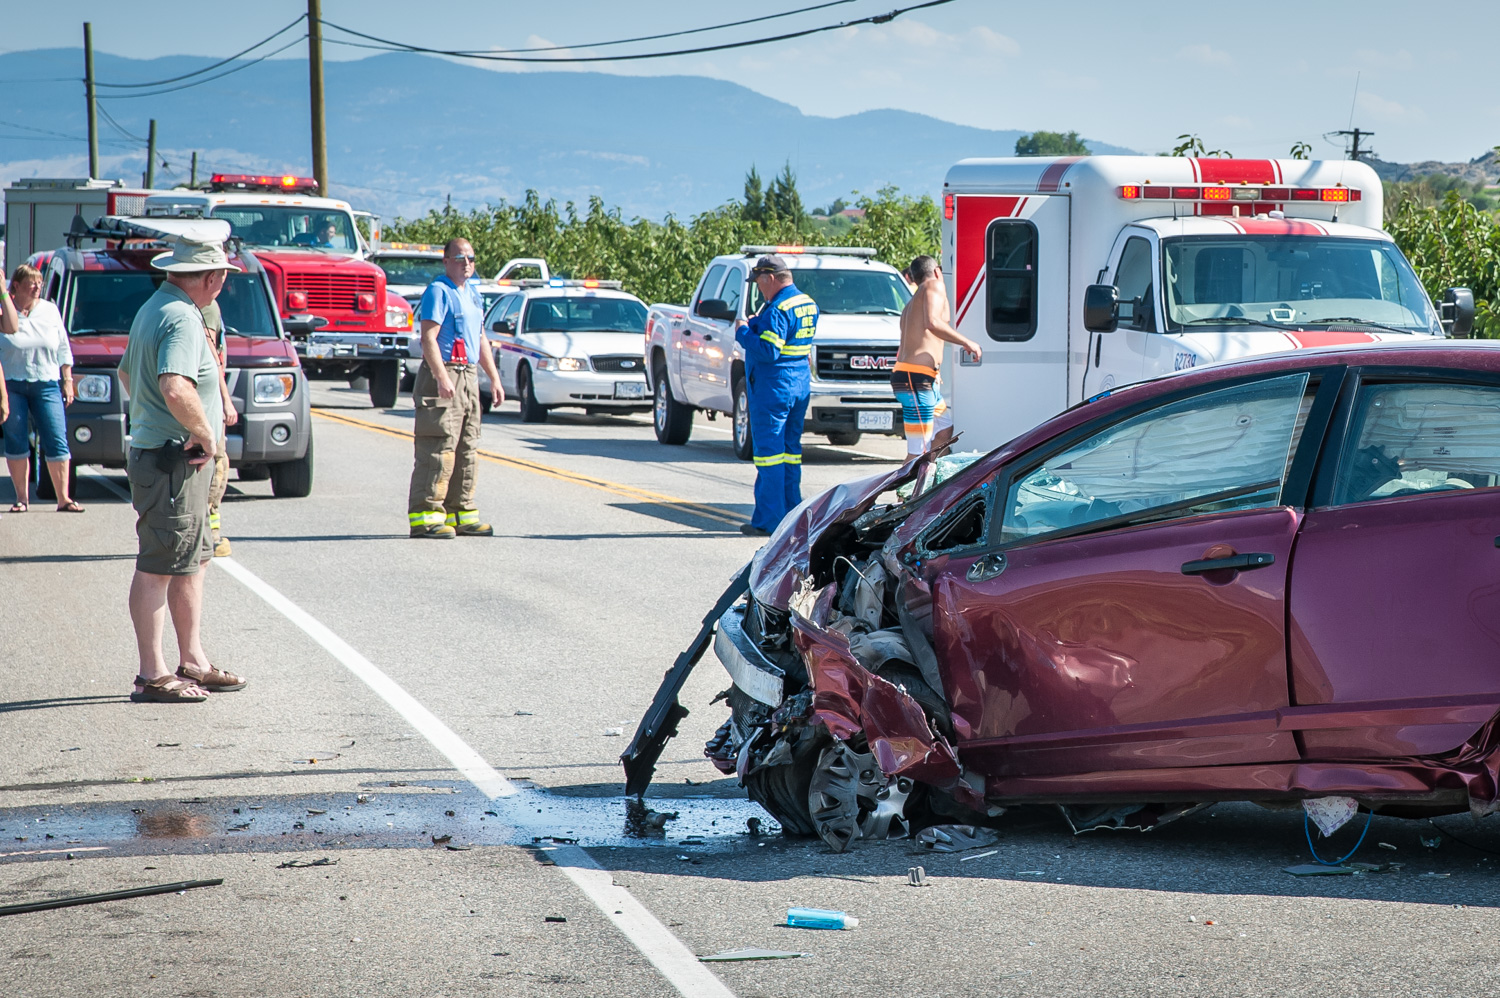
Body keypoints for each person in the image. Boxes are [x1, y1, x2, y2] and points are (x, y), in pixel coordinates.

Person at [118, 235, 248, 703]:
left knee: (190, 560)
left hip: (168, 453)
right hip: (173, 458)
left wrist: (153, 417)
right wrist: (205, 432)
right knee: (160, 564)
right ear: (211, 278)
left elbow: (127, 374)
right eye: (222, 279)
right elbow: (174, 385)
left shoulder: (157, 305)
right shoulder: (180, 317)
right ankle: (152, 674)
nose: (222, 287)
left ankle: (191, 660)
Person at [407, 237, 505, 539]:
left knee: (467, 448)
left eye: (471, 259)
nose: (467, 264)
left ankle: (462, 513)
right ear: (446, 261)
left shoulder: (473, 293)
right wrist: (441, 377)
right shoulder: (439, 291)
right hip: (445, 373)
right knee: (438, 447)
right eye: (460, 258)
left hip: (469, 375)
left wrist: (494, 378)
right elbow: (428, 338)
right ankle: (426, 517)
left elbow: (480, 338)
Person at [734, 255, 817, 537]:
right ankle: (792, 515)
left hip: (773, 389)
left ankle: (769, 521)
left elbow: (768, 350)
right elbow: (788, 338)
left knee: (769, 456)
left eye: (759, 283)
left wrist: (744, 332)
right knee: (791, 454)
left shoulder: (778, 308)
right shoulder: (806, 303)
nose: (759, 289)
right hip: (798, 386)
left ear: (770, 278)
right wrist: (760, 324)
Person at [1, 264, 82, 513]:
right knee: (16, 440)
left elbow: (62, 347)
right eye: (31, 282)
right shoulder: (6, 310)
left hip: (46, 382)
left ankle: (63, 498)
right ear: (15, 285)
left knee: (56, 438)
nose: (37, 287)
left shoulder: (49, 310)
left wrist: (67, 380)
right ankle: (21, 498)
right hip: (12, 383)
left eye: (39, 282)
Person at [892, 255, 984, 458]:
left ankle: (930, 484)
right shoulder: (933, 285)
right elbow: (933, 322)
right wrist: (967, 342)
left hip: (921, 378)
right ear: (936, 272)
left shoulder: (914, 300)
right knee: (919, 451)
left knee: (944, 432)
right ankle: (909, 490)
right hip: (916, 379)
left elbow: (945, 319)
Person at [200, 299, 237, 557]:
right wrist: (225, 400)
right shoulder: (208, 307)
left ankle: (207, 532)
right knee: (217, 465)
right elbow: (213, 358)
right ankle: (208, 536)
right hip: (207, 401)